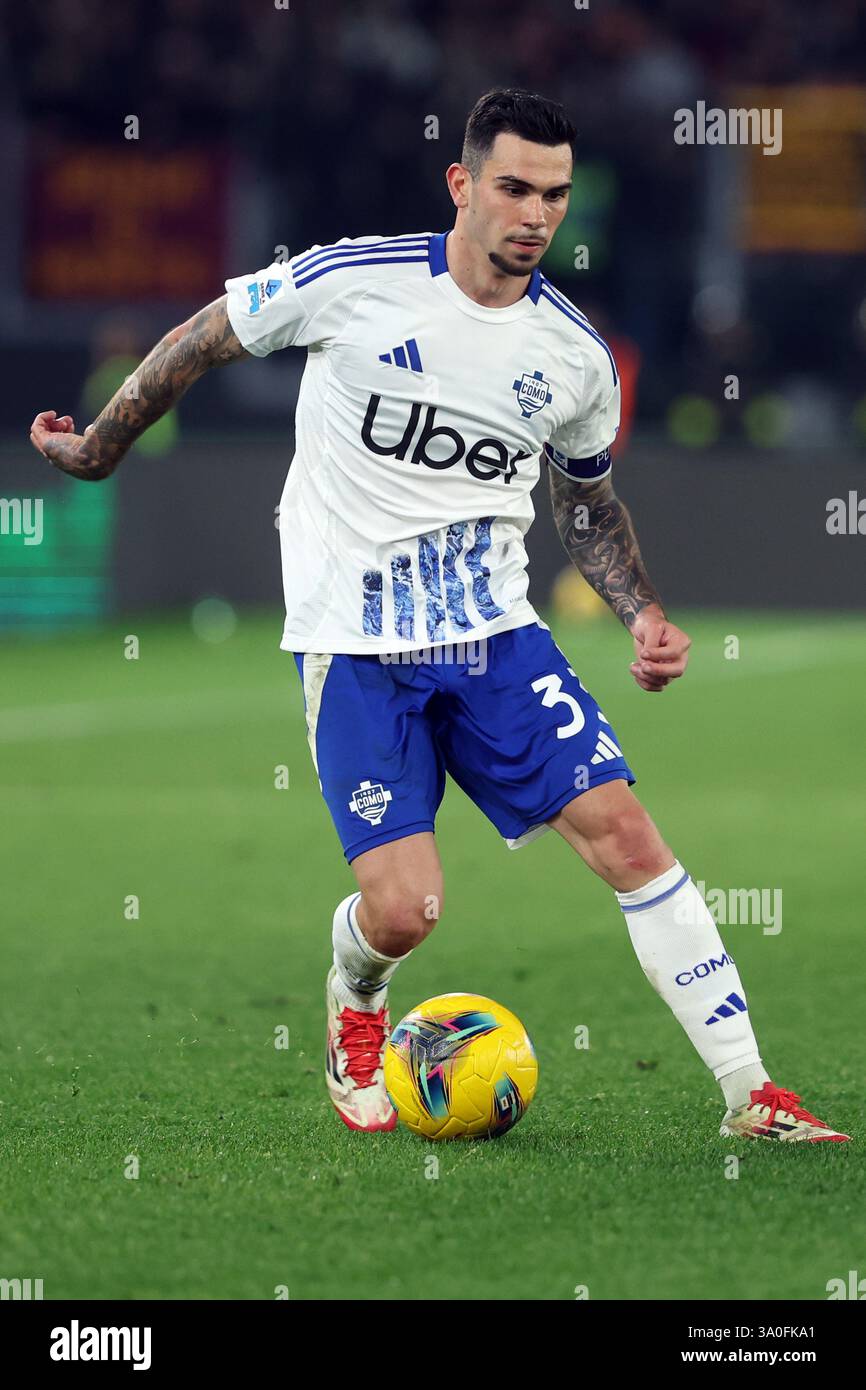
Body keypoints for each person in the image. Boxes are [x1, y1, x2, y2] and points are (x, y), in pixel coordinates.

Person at [30, 88, 849, 1143]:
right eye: (511, 187)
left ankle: (751, 1094)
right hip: (353, 641)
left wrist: (639, 607)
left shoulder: (572, 357)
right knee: (406, 911)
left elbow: (583, 500)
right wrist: (100, 445)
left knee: (628, 838)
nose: (534, 214)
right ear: (460, 185)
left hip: (493, 634)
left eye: (553, 195)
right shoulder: (351, 282)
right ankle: (356, 993)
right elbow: (210, 333)